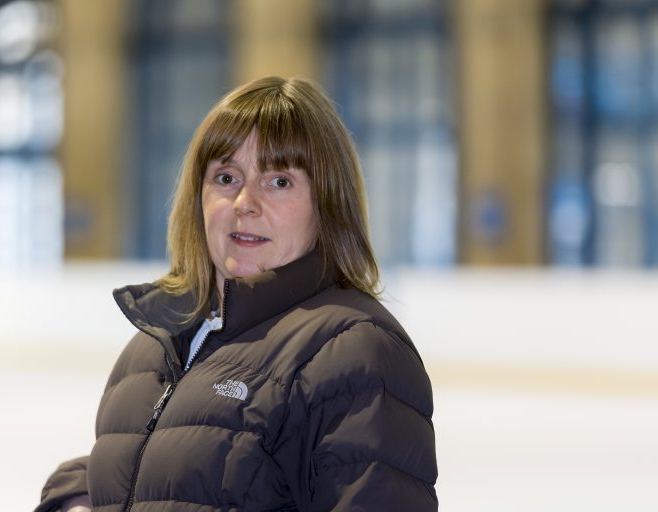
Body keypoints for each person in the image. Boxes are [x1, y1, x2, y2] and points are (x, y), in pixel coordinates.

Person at [35, 76, 437, 512]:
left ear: (327, 204)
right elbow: (157, 474)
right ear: (199, 197)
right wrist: (73, 498)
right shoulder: (154, 345)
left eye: (279, 181)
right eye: (226, 177)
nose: (245, 202)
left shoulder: (353, 352)